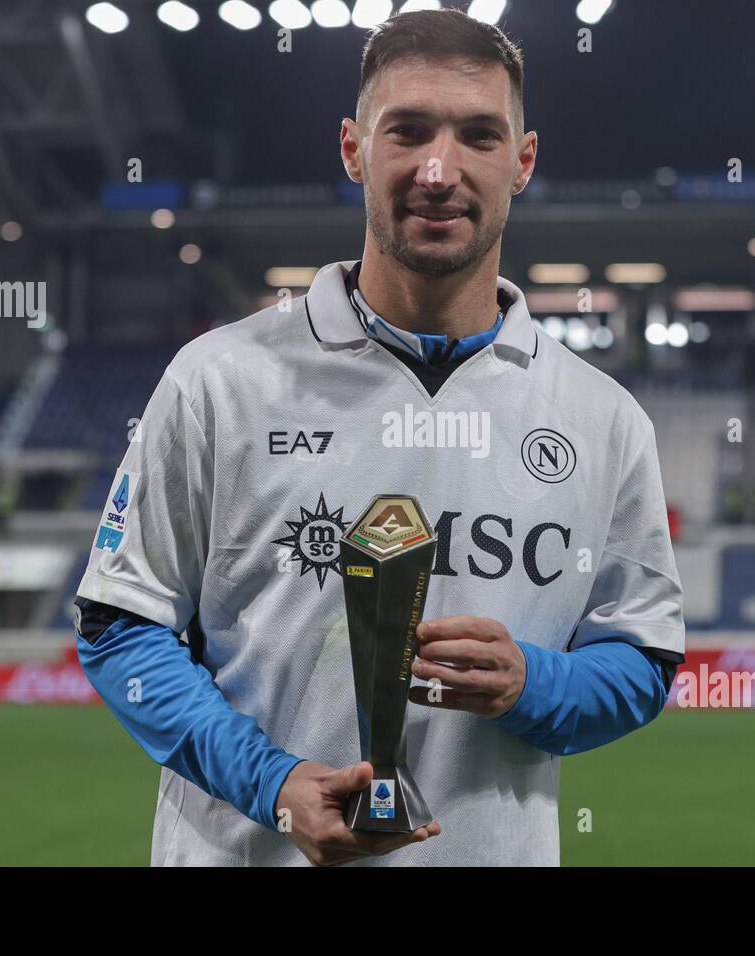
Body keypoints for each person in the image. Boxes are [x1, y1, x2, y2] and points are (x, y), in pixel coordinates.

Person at [73, 6, 684, 867]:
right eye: (408, 132)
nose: (440, 170)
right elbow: (118, 625)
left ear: (523, 161)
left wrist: (534, 683)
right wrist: (273, 784)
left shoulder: (603, 419)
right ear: (355, 148)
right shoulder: (219, 381)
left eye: (479, 135)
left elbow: (642, 659)